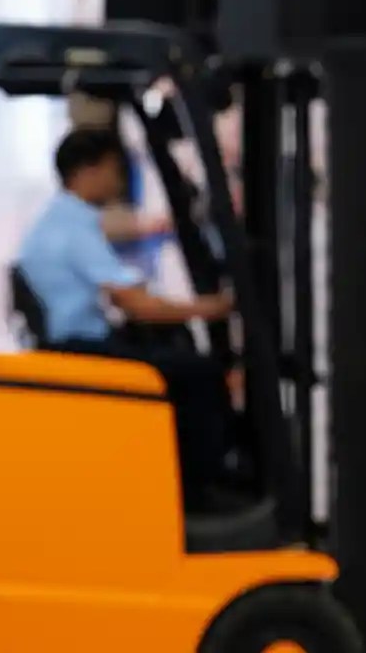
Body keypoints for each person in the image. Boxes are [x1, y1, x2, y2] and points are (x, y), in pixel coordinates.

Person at [16, 126, 238, 512]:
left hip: (77, 341)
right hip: (82, 349)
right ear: (89, 171)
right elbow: (138, 304)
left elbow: (128, 298)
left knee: (174, 355)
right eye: (115, 169)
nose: (119, 180)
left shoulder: (60, 220)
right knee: (200, 375)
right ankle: (198, 495)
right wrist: (211, 308)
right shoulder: (74, 228)